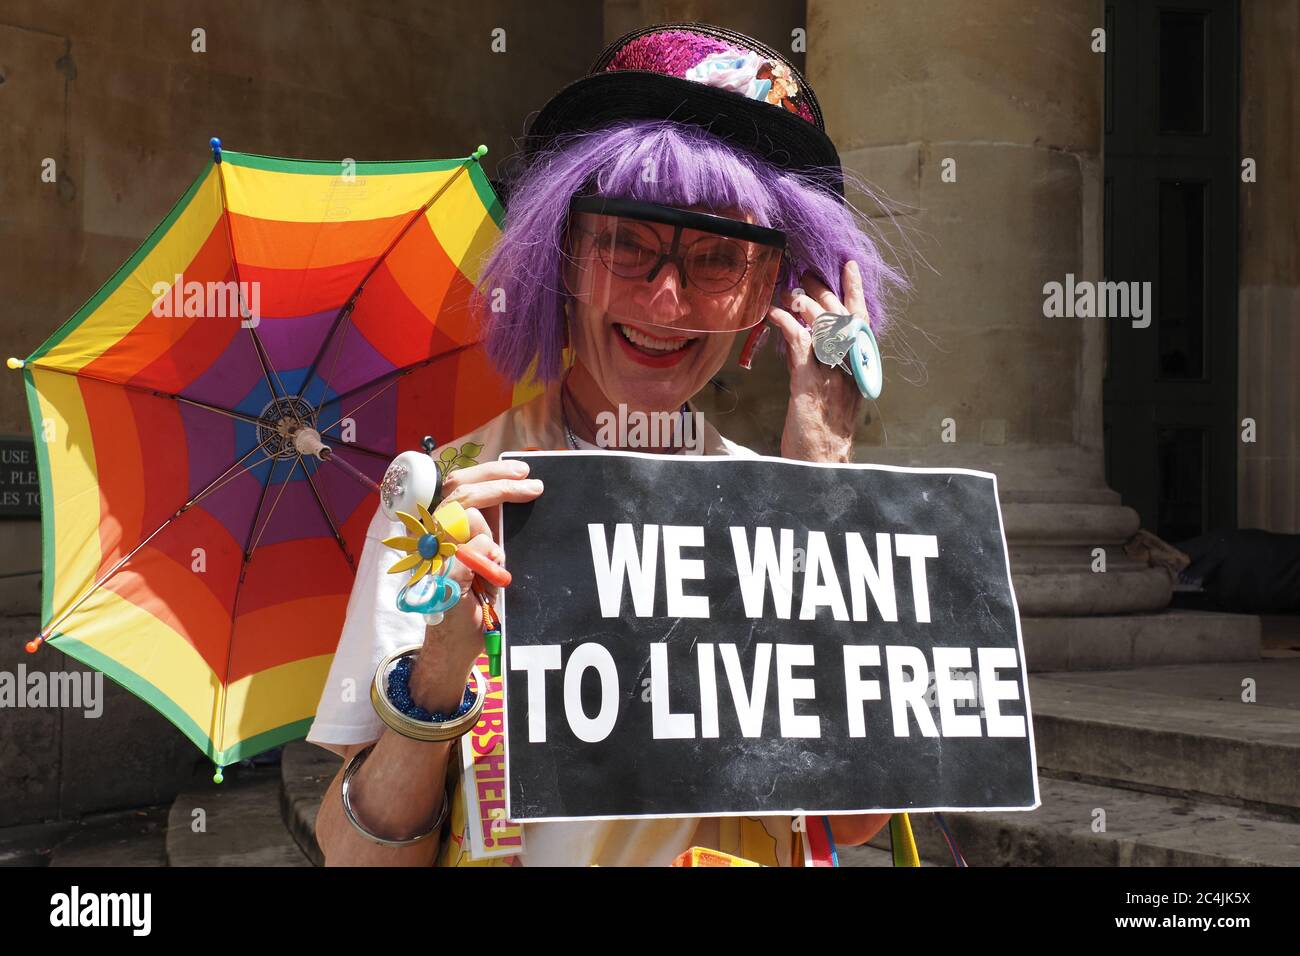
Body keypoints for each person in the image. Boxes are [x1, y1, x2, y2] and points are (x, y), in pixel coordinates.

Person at [308, 21, 909, 867]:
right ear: (560, 253)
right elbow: (357, 859)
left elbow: (851, 823)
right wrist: (442, 669)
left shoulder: (799, 506)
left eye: (718, 259)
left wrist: (820, 485)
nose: (666, 303)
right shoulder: (442, 504)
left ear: (769, 298)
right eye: (625, 243)